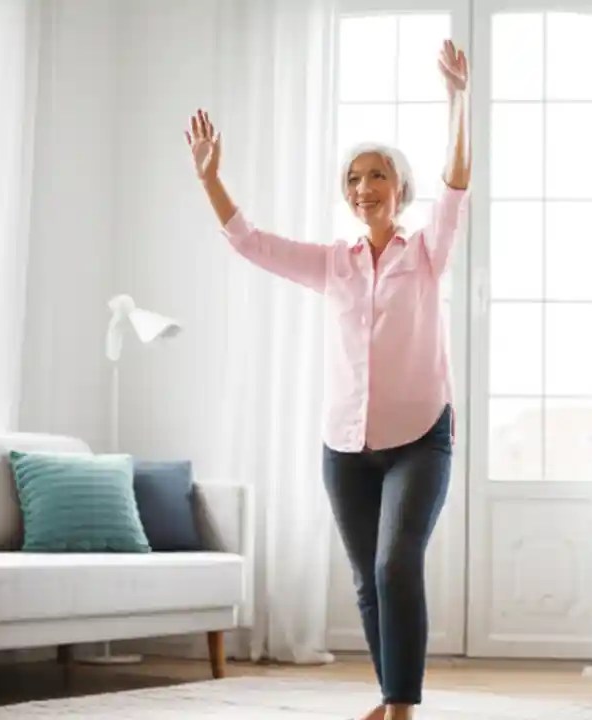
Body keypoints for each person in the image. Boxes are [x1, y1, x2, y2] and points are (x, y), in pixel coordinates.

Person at [185, 39, 471, 720]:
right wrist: (210, 179)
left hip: (419, 437)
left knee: (395, 564)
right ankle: (392, 696)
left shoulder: (426, 251)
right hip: (344, 444)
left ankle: (401, 707)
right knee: (366, 581)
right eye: (353, 179)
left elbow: (457, 184)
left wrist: (458, 99)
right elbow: (250, 242)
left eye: (376, 176)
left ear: (399, 188)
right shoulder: (333, 262)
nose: (363, 187)